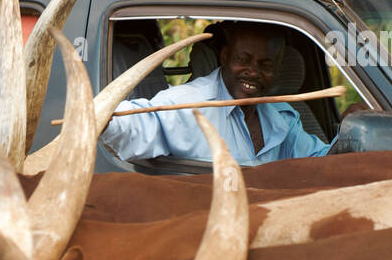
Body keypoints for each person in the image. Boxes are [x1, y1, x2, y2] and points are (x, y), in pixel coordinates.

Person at [100, 24, 333, 165]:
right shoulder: (190, 104)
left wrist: (353, 133)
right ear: (224, 58)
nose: (253, 72)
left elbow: (319, 160)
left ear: (277, 71)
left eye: (265, 65)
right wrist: (104, 118)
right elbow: (141, 122)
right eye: (243, 60)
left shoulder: (283, 116)